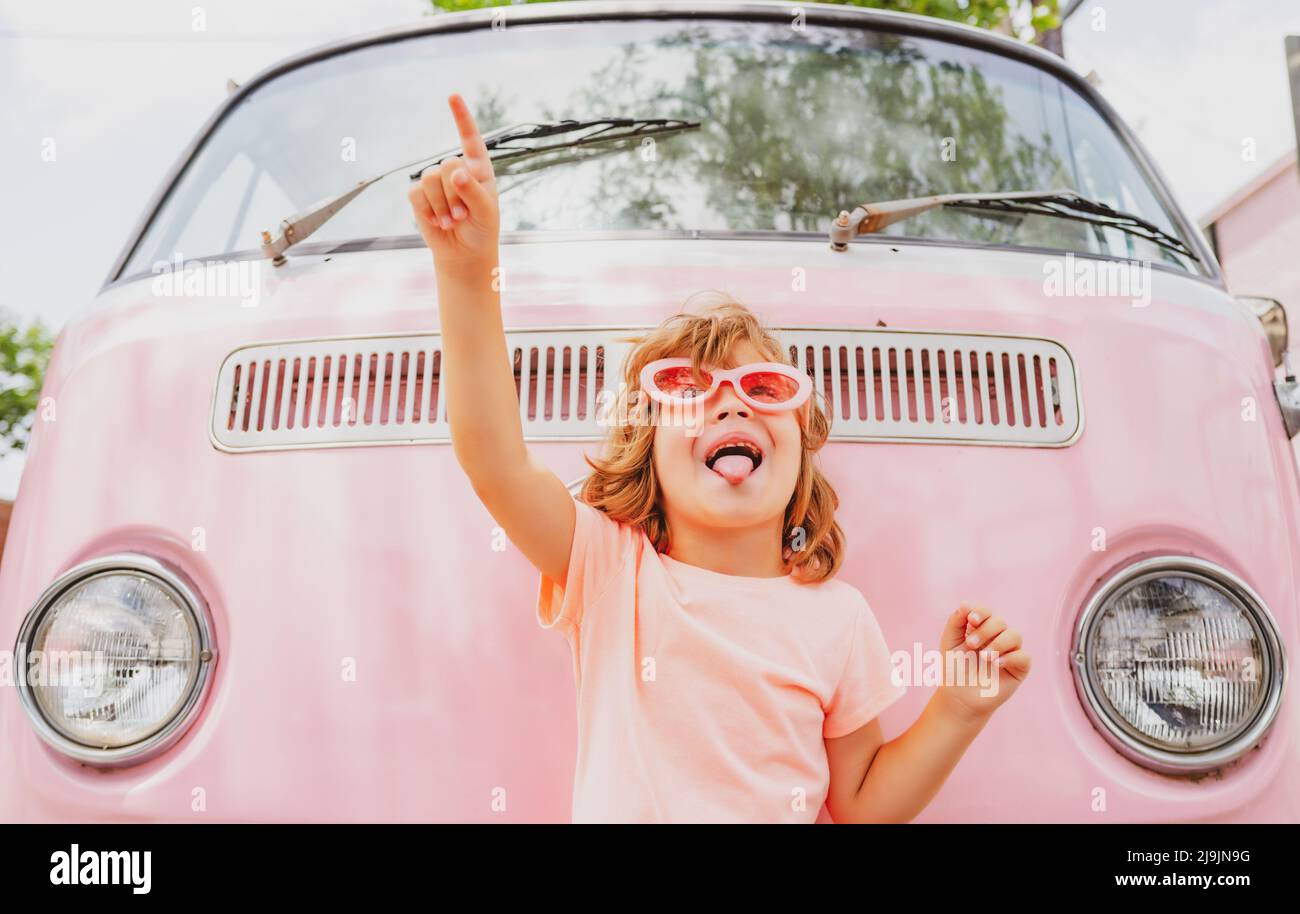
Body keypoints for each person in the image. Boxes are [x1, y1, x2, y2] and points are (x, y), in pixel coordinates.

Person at [406, 93, 1032, 823]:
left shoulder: (839, 619)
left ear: (801, 456)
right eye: (689, 389)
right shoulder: (612, 570)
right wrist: (467, 272)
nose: (732, 404)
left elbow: (863, 806)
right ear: (649, 459)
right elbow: (493, 460)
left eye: (763, 389)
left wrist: (958, 706)